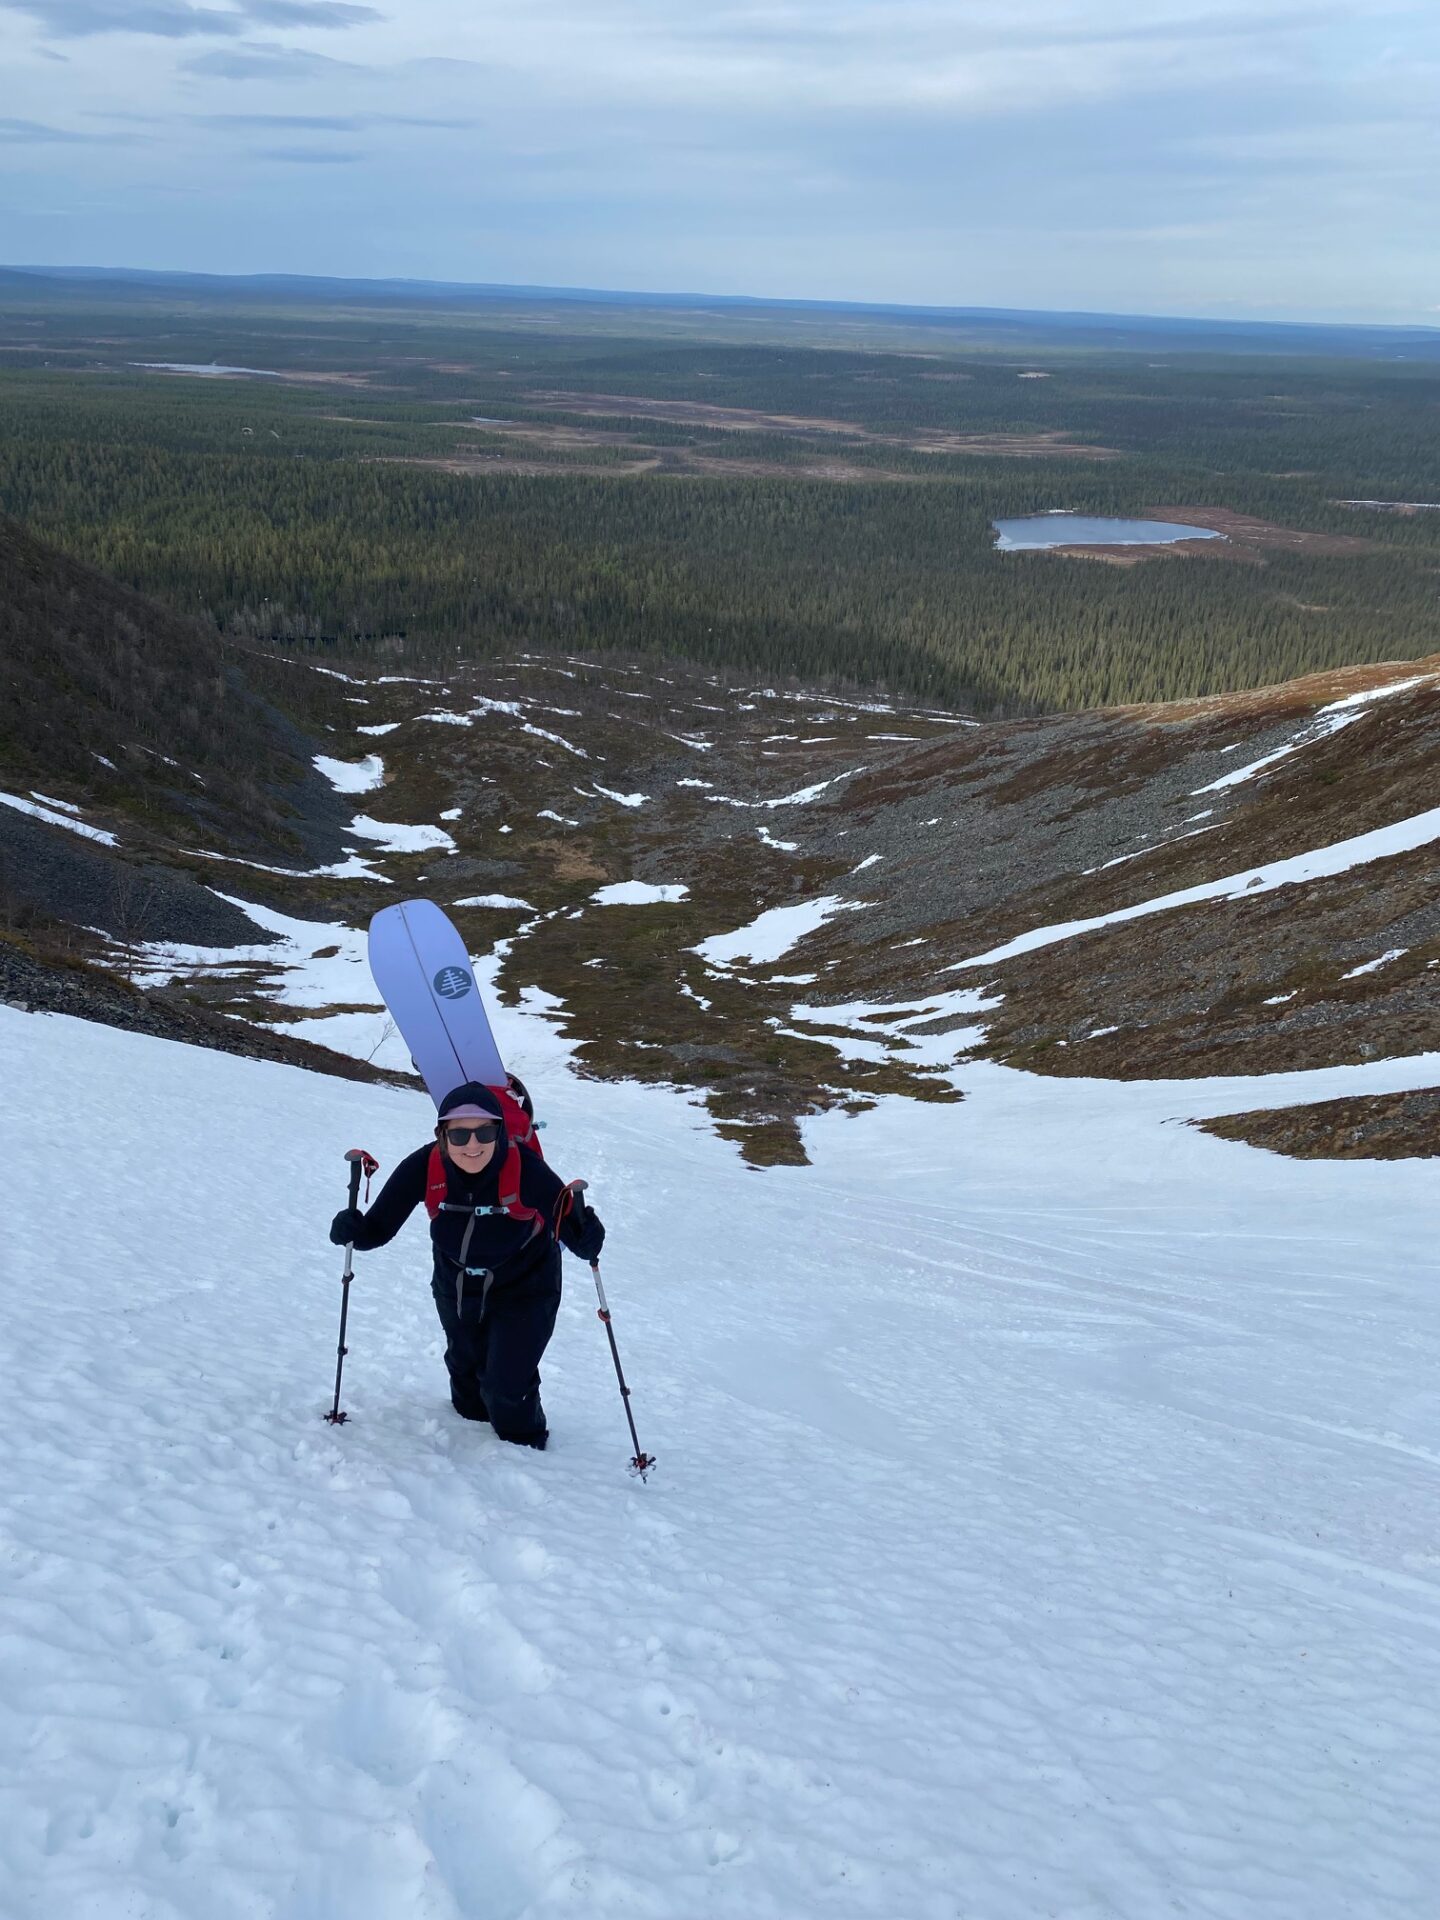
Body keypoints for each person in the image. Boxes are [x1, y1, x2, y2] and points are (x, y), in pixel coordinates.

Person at [329, 1081, 604, 1449]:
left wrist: (588, 1237)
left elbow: (571, 1229)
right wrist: (351, 1230)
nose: (472, 1145)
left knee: (507, 1385)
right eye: (459, 1135)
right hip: (456, 1281)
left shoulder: (526, 1169)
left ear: (499, 1131)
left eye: (484, 1132)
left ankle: (526, 1453)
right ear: (442, 1134)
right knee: (465, 1372)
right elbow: (376, 1229)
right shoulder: (424, 1166)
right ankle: (468, 1443)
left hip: (527, 1283)